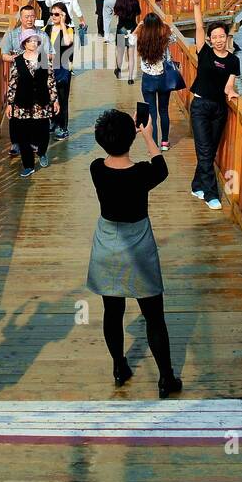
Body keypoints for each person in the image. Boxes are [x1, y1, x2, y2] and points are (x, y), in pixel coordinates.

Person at [87, 109, 182, 398]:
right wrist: (148, 136)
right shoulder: (142, 173)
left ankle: (119, 366)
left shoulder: (96, 169)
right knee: (154, 316)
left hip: (107, 245)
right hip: (138, 247)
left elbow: (112, 155)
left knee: (112, 312)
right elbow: (161, 166)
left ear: (101, 140)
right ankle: (166, 378)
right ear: (131, 138)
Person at [188, 0, 240, 210]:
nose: (218, 40)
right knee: (205, 151)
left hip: (219, 109)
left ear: (227, 37)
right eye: (215, 37)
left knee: (210, 149)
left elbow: (229, 84)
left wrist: (232, 93)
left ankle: (196, 184)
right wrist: (198, 6)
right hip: (200, 106)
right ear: (210, 39)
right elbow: (199, 28)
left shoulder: (233, 61)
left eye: (222, 36)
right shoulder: (205, 53)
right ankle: (211, 194)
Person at [4, 29, 59, 177]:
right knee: (22, 136)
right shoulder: (18, 61)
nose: (34, 43)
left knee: (43, 131)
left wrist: (55, 101)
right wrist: (10, 103)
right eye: (30, 41)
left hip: (42, 102)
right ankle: (28, 165)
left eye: (35, 41)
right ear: (24, 43)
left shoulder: (45, 59)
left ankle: (42, 152)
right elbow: (12, 83)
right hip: (22, 102)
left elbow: (51, 81)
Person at [136, 12, 177, 151]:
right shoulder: (164, 36)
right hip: (163, 78)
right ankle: (164, 143)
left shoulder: (141, 36)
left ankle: (153, 145)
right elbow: (175, 37)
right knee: (164, 111)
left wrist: (139, 25)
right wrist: (165, 26)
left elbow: (129, 39)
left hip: (148, 79)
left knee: (152, 114)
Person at [45, 4, 74, 138]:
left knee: (62, 99)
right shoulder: (47, 28)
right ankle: (53, 122)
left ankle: (64, 127)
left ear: (64, 15)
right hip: (48, 68)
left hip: (63, 68)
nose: (53, 16)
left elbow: (68, 42)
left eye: (57, 14)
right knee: (50, 97)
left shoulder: (69, 29)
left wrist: (62, 23)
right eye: (52, 14)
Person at [112, 0, 141, 84]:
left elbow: (116, 14)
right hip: (133, 29)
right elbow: (138, 13)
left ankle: (118, 69)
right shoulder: (135, 3)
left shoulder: (119, 3)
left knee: (120, 52)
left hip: (121, 29)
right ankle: (130, 78)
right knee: (131, 55)